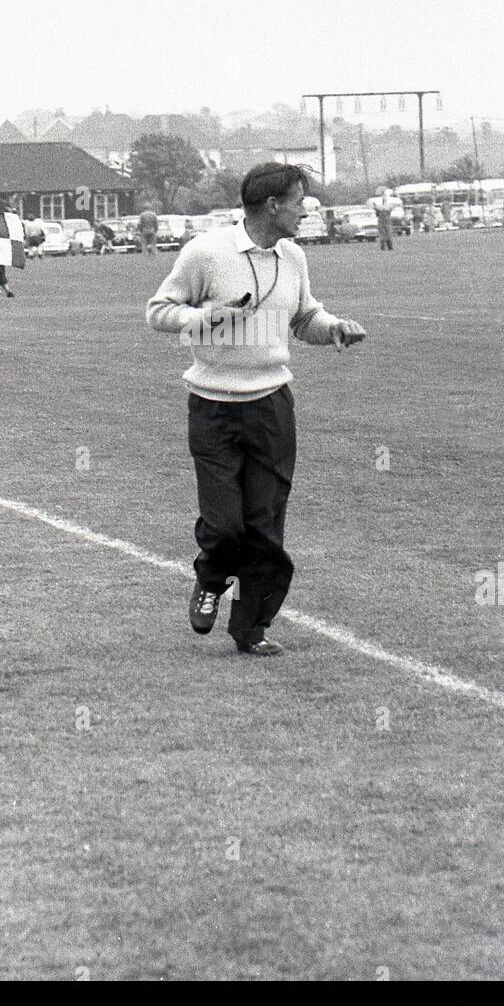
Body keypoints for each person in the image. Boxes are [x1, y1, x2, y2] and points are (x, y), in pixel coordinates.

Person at [145, 162, 366, 658]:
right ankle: (209, 578)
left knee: (265, 528)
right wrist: (208, 318)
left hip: (271, 406)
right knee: (225, 526)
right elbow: (158, 312)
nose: (307, 211)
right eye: (300, 201)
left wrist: (332, 328)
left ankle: (251, 628)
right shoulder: (206, 252)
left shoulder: (294, 258)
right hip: (212, 407)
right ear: (272, 205)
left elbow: (304, 316)